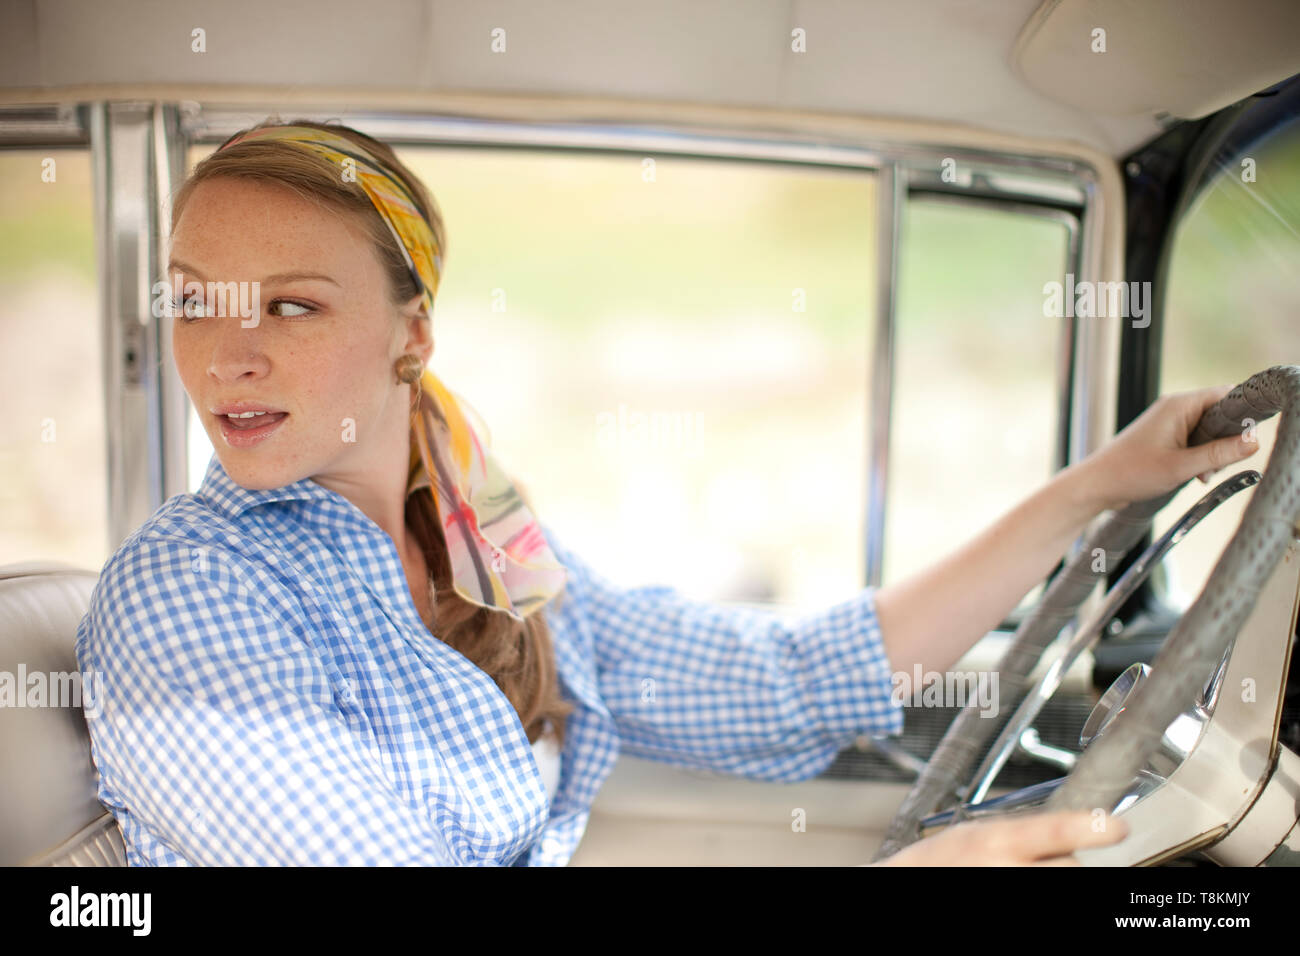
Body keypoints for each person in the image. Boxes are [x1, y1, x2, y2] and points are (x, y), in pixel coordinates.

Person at [74, 119, 1257, 867]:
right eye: (193, 300)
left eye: (289, 304)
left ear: (410, 331)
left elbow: (795, 677)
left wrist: (1101, 484)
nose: (224, 353)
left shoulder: (488, 546)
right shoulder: (187, 594)